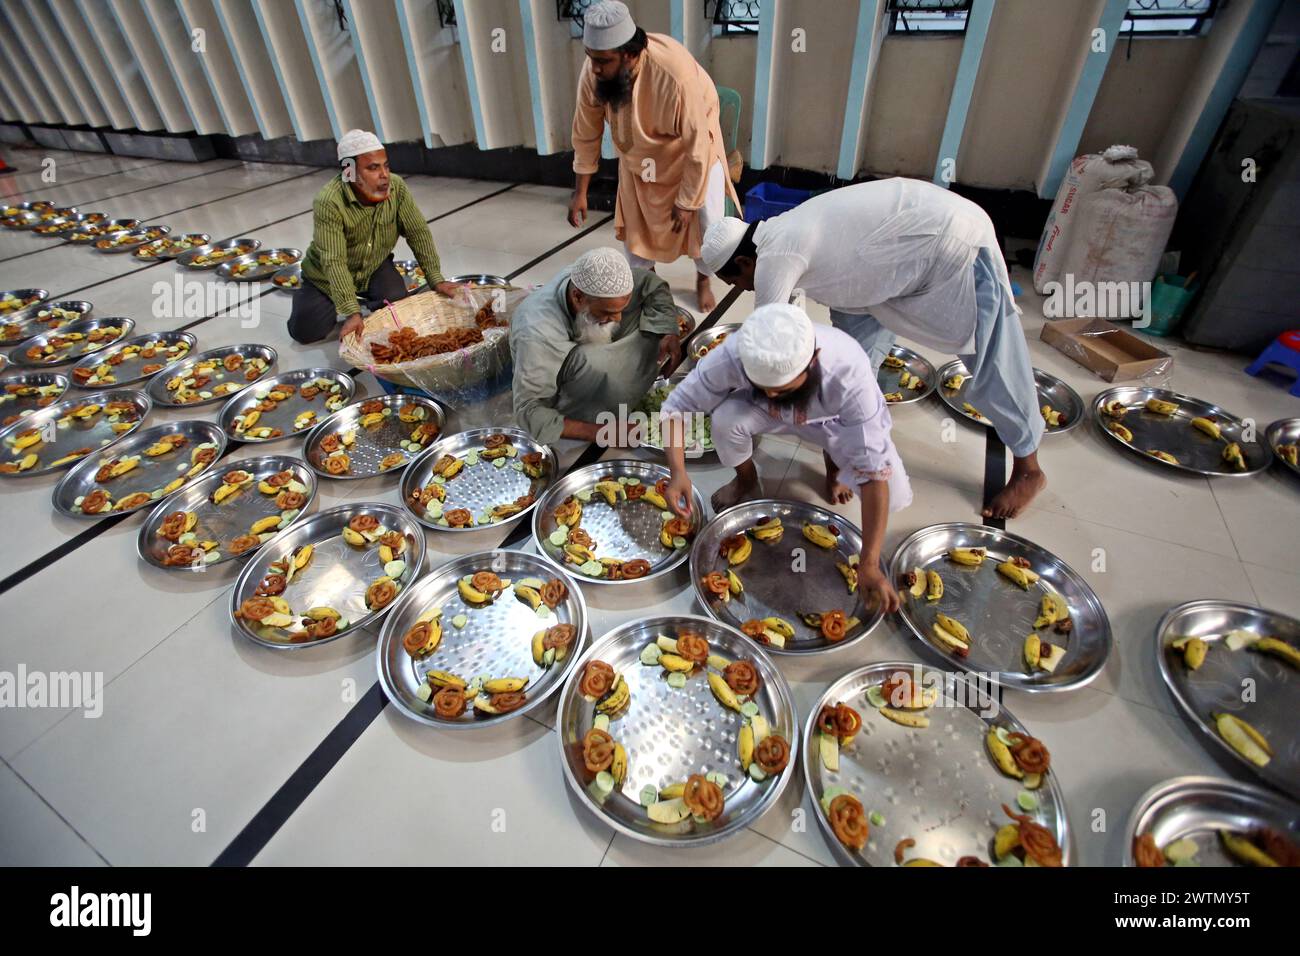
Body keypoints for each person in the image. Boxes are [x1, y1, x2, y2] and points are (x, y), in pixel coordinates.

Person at [699, 178, 1045, 519]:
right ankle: (837, 464)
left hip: (947, 240)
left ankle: (1029, 467)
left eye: (736, 282)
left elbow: (767, 338)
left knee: (991, 355)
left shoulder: (776, 254)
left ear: (745, 262)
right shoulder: (778, 234)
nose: (742, 290)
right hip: (880, 272)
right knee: (844, 380)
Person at [660, 303, 910, 612]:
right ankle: (747, 480)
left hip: (832, 421)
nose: (774, 395)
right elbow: (676, 407)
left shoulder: (848, 373)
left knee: (893, 491)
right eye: (765, 387)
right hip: (765, 414)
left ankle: (833, 470)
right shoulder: (733, 354)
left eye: (783, 388)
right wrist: (678, 474)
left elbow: (873, 472)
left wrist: (870, 562)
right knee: (726, 419)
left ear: (813, 361)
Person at [568, 0, 738, 313]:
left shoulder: (674, 73)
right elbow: (585, 132)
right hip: (637, 157)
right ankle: (650, 285)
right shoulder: (595, 73)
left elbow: (698, 145)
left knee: (706, 223)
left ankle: (703, 279)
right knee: (636, 226)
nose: (594, 68)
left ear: (630, 55)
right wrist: (580, 193)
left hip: (690, 148)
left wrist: (687, 202)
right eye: (590, 58)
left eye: (603, 61)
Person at [290, 129, 460, 344]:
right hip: (325, 275)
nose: (384, 175)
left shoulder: (396, 187)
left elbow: (418, 233)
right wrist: (351, 313)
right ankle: (338, 298)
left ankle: (357, 298)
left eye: (386, 165)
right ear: (349, 171)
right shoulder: (329, 201)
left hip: (374, 266)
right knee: (305, 332)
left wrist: (436, 279)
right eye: (373, 168)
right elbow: (333, 260)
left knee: (397, 308)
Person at [509, 247, 682, 444]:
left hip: (588, 348)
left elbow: (652, 284)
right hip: (563, 383)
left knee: (647, 318)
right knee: (593, 362)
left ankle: (617, 381)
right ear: (578, 297)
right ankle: (596, 402)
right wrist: (602, 432)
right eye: (608, 311)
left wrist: (669, 331)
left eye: (620, 309)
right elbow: (528, 410)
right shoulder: (536, 331)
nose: (617, 319)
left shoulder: (608, 282)